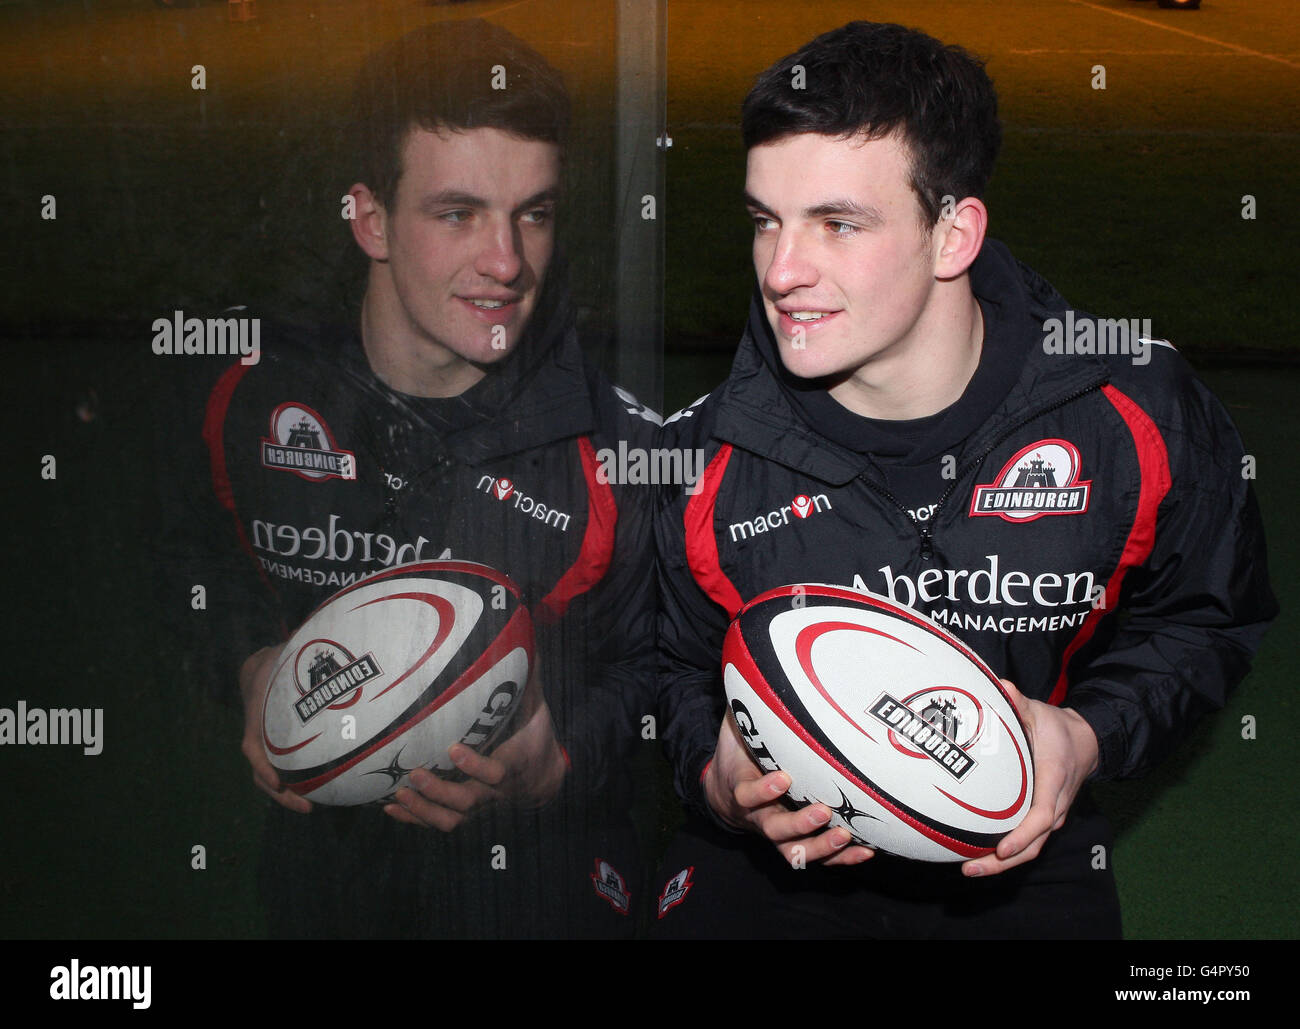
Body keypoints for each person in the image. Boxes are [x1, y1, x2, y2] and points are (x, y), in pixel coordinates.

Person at [653, 20, 1275, 938]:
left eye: (838, 223)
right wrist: (717, 778)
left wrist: (1087, 733)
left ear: (954, 234)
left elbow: (1204, 617)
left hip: (1020, 867)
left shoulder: (1135, 414)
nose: (782, 271)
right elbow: (662, 668)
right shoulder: (699, 462)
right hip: (772, 882)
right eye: (765, 221)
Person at [197, 19, 656, 938]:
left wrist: (559, 766)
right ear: (370, 219)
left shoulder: (611, 454)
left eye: (534, 211)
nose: (507, 262)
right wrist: (249, 667)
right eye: (458, 213)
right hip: (325, 878)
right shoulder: (251, 399)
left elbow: (659, 671)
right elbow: (197, 564)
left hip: (534, 886)